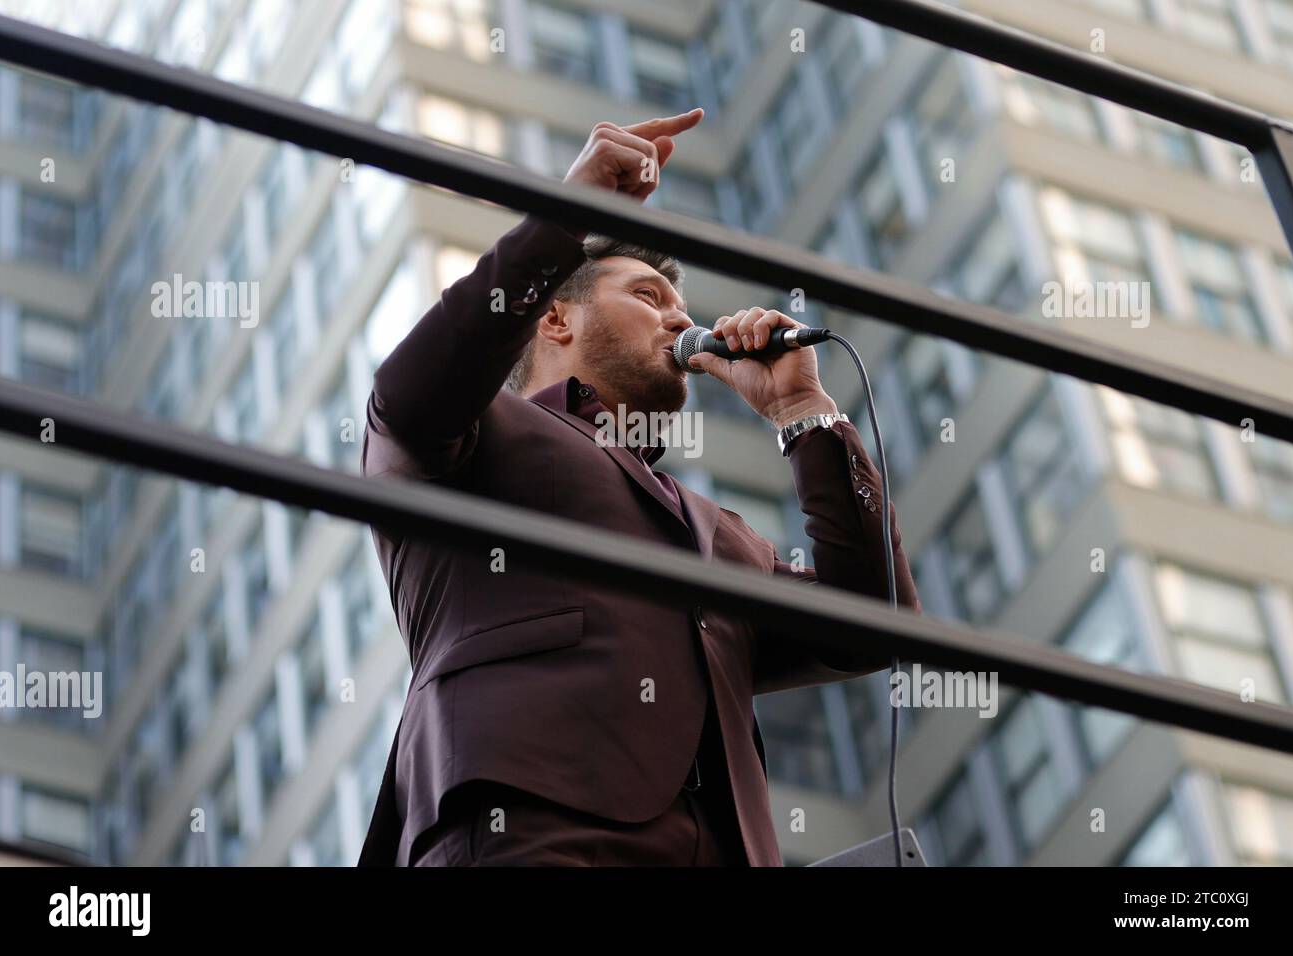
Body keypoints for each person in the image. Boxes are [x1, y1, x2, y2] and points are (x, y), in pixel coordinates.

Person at [357, 107, 922, 867]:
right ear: (554, 319)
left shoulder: (717, 532)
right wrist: (566, 219)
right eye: (650, 296)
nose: (680, 318)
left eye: (680, 305)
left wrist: (801, 412)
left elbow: (876, 617)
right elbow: (411, 393)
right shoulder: (473, 435)